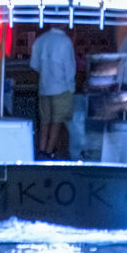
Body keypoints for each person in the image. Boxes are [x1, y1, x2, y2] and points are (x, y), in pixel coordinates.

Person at [29, 21, 77, 158]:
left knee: (45, 121)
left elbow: (34, 65)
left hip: (44, 87)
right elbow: (69, 69)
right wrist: (71, 86)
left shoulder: (41, 40)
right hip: (62, 88)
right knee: (57, 122)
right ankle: (50, 151)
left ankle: (42, 150)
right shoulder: (65, 41)